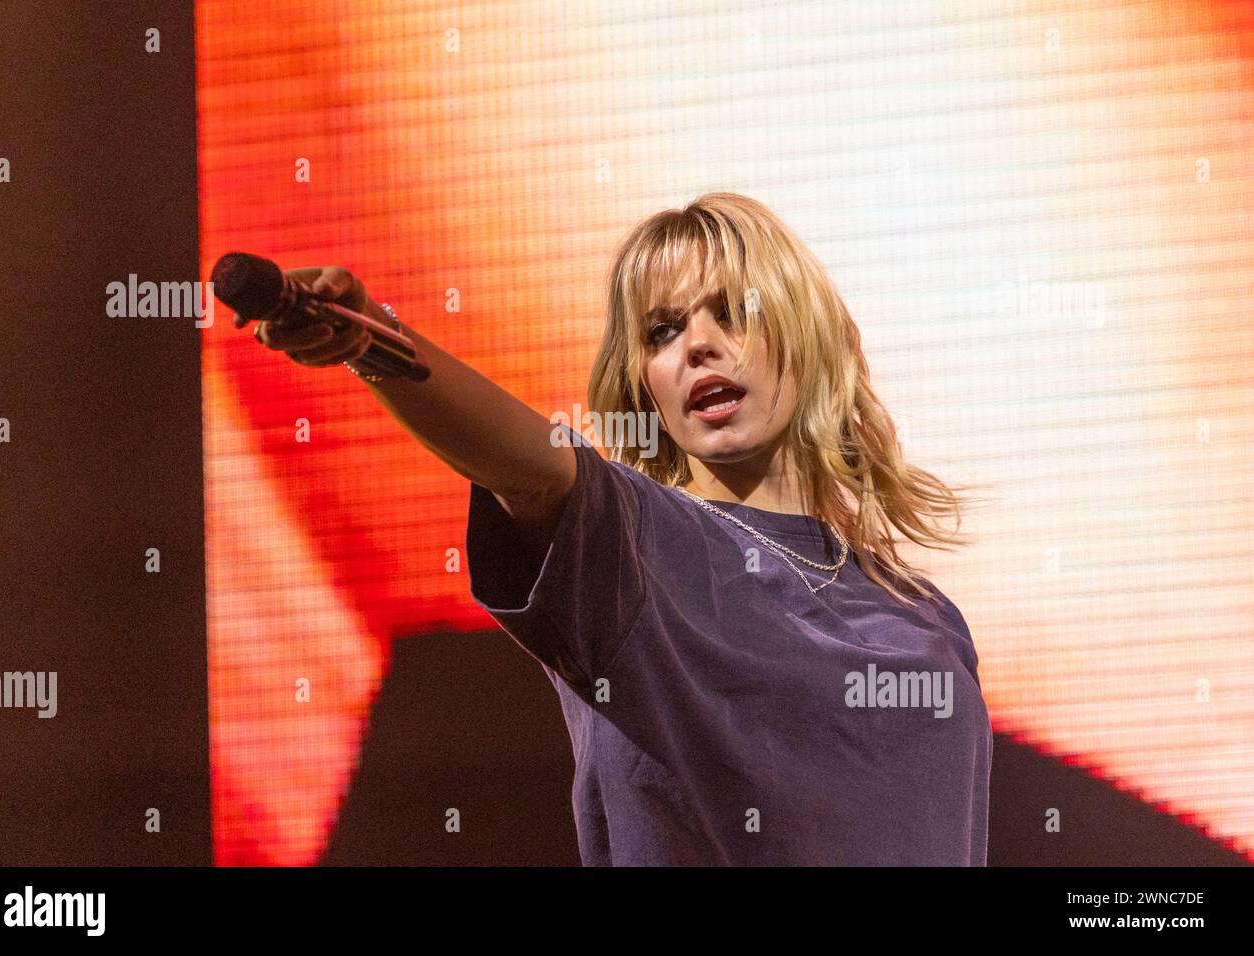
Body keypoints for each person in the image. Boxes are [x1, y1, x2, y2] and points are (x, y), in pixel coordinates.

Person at [249, 192, 992, 866]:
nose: (697, 344)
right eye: (663, 331)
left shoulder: (924, 617)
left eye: (733, 312)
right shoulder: (635, 551)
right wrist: (371, 340)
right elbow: (533, 467)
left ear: (810, 335)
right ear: (644, 382)